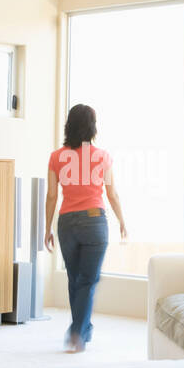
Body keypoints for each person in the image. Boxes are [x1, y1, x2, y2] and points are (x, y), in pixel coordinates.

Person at [44, 104, 127, 352]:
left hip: (67, 222)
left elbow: (51, 195)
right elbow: (111, 192)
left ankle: (82, 329)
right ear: (93, 127)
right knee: (88, 281)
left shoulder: (56, 156)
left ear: (68, 125)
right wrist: (122, 219)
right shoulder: (102, 156)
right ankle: (77, 334)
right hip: (94, 221)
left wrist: (47, 227)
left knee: (75, 279)